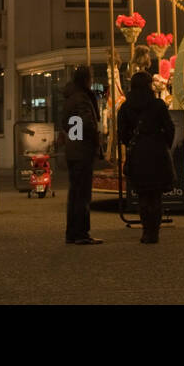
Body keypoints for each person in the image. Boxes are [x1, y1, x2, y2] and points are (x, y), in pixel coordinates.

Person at [118, 70, 176, 244]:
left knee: (143, 195)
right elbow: (170, 129)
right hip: (157, 152)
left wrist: (132, 144)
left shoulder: (126, 107)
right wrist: (164, 144)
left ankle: (145, 230)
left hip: (137, 154)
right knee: (156, 196)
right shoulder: (157, 104)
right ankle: (154, 231)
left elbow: (122, 133)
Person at [61, 65, 102, 245]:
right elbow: (86, 124)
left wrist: (74, 137)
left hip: (74, 149)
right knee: (82, 194)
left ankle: (73, 232)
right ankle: (81, 233)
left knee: (75, 193)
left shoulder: (71, 98)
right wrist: (93, 139)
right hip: (81, 151)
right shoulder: (81, 99)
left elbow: (70, 124)